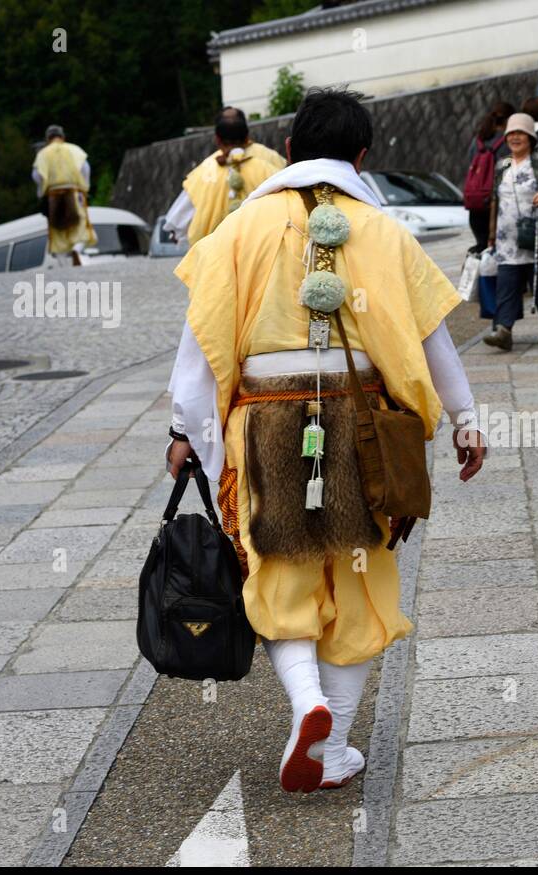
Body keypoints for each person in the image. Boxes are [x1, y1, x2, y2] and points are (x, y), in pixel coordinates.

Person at [165, 89, 487, 793]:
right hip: (361, 424)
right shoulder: (385, 231)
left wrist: (186, 432)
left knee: (279, 569)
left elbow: (197, 352)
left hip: (266, 420)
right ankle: (331, 742)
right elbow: (432, 340)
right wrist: (465, 420)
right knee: (362, 580)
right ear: (362, 155)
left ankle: (306, 701)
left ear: (285, 150)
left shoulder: (238, 234)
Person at [482, 113, 538, 351]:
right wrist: (491, 235)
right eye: (511, 134)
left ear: (530, 138)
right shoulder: (502, 165)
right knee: (506, 285)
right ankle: (504, 330)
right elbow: (495, 200)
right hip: (507, 239)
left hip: (537, 237)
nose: (514, 138)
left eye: (520, 133)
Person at [163, 107, 287, 244]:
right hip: (262, 252)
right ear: (247, 136)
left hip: (214, 256)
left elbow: (176, 225)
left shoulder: (203, 171)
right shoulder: (271, 162)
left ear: (217, 139)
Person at [463, 101, 514, 321]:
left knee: (482, 248)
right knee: (499, 251)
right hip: (494, 203)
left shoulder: (478, 141)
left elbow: (468, 165)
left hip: (475, 205)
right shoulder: (504, 143)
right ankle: (499, 296)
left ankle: (479, 291)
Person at [31, 125, 95, 266]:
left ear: (48, 139)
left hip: (53, 195)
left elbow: (37, 175)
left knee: (57, 229)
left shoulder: (43, 154)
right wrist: (84, 188)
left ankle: (62, 264)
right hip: (73, 192)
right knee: (80, 225)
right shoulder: (74, 150)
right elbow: (86, 168)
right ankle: (77, 250)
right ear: (63, 137)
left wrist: (41, 192)